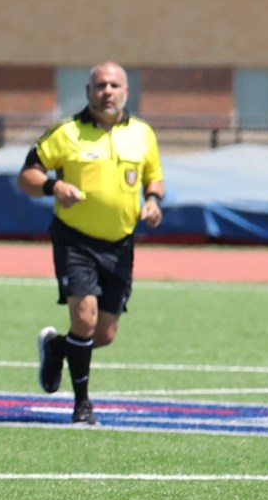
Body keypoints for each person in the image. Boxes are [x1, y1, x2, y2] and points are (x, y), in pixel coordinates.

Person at [15, 62, 164, 426]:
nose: (107, 91)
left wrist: (154, 200)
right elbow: (27, 176)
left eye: (114, 85)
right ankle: (82, 405)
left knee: (104, 333)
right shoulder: (66, 132)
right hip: (75, 239)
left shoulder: (143, 134)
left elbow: (154, 177)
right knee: (84, 319)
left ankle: (56, 348)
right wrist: (53, 186)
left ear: (126, 92)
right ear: (88, 91)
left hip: (121, 242)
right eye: (100, 85)